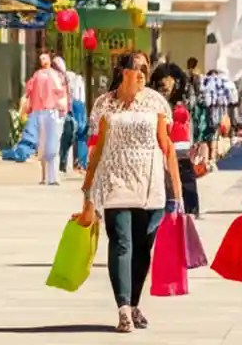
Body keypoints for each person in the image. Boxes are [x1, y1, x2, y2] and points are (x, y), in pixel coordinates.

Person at [73, 52, 183, 333]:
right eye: (138, 69)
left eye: (146, 68)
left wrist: (178, 191)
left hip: (150, 185)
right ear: (123, 72)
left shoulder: (155, 103)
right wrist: (87, 191)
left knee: (142, 248)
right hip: (115, 182)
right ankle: (123, 308)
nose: (144, 74)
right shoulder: (105, 104)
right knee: (122, 243)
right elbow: (96, 150)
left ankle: (134, 304)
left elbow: (166, 145)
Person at [153, 62, 200, 216]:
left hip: (184, 146)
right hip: (165, 146)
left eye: (169, 79)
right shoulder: (156, 99)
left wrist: (197, 143)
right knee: (167, 182)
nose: (166, 83)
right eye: (163, 79)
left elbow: (194, 119)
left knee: (188, 180)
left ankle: (191, 210)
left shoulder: (185, 97)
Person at [26, 53, 69, 186]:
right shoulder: (53, 76)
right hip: (50, 112)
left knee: (44, 144)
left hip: (41, 112)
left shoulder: (37, 76)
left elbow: (28, 91)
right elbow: (60, 92)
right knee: (52, 143)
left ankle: (46, 176)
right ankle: (52, 176)